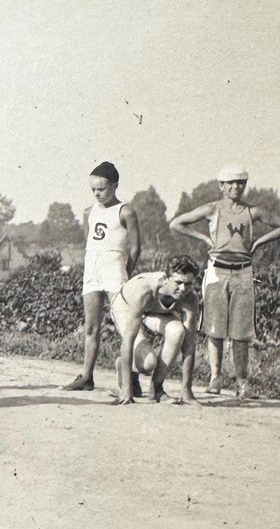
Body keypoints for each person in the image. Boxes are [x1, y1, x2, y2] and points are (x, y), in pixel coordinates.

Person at [169, 164, 280, 398]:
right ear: (221, 186)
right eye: (229, 183)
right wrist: (204, 239)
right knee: (214, 327)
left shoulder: (253, 212)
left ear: (245, 185)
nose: (235, 187)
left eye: (239, 183)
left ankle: (242, 382)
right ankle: (215, 377)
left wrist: (259, 242)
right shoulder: (212, 209)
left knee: (241, 331)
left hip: (243, 271)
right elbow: (176, 223)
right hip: (217, 270)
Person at [63, 161, 141, 391]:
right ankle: (86, 376)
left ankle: (132, 377)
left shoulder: (125, 211)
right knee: (91, 326)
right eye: (93, 189)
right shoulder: (89, 211)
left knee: (125, 326)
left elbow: (135, 248)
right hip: (92, 270)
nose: (97, 193)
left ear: (115, 186)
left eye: (102, 189)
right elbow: (90, 241)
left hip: (115, 269)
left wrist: (127, 272)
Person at [108, 256, 202, 405]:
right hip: (126, 306)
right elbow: (128, 340)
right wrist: (126, 391)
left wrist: (187, 391)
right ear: (166, 278)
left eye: (188, 284)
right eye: (178, 282)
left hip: (153, 310)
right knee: (148, 363)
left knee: (178, 332)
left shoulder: (190, 298)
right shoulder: (143, 290)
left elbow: (189, 346)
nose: (183, 289)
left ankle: (156, 388)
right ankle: (125, 371)